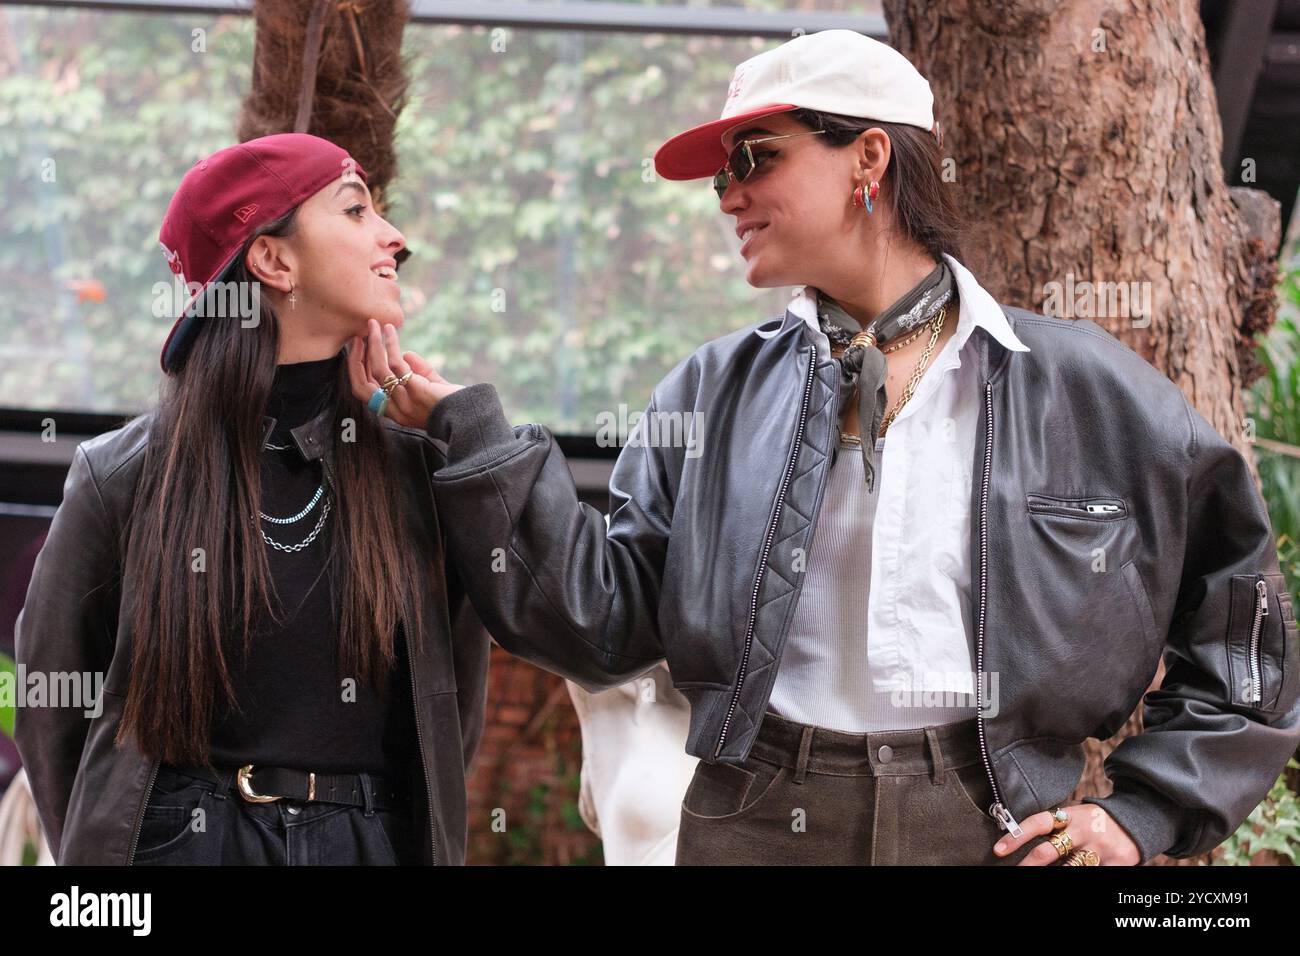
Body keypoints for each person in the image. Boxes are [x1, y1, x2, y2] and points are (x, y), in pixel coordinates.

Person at [351, 28, 1300, 866]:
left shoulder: (1089, 393)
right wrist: (475, 440)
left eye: (754, 159)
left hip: (988, 824)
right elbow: (605, 624)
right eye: (723, 174)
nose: (728, 195)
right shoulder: (711, 392)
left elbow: (1244, 624)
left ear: (868, 158)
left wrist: (1143, 813)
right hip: (756, 815)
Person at [14, 133, 489, 865]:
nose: (396, 237)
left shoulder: (419, 474)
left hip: (370, 843)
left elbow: (450, 710)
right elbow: (54, 707)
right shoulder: (123, 478)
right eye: (357, 210)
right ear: (272, 260)